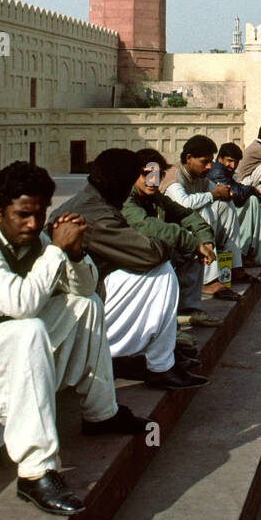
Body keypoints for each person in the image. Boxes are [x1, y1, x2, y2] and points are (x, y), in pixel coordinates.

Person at [0, 161, 146, 517]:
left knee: (85, 305)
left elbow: (85, 291)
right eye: (23, 215)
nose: (33, 224)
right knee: (29, 328)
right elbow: (21, 305)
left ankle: (101, 414)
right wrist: (54, 250)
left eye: (40, 215)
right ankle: (35, 471)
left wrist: (74, 252)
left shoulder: (35, 238)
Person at [50, 149, 207, 391]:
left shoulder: (95, 201)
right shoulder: (97, 214)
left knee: (153, 269)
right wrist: (178, 243)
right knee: (161, 271)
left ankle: (148, 356)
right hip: (73, 312)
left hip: (82, 293)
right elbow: (149, 253)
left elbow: (176, 218)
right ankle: (161, 366)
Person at [123, 148, 216, 351]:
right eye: (147, 174)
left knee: (188, 250)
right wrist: (194, 243)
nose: (152, 180)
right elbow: (148, 226)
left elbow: (186, 214)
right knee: (168, 253)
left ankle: (185, 310)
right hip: (125, 269)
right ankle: (161, 327)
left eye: (158, 175)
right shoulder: (127, 199)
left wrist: (205, 240)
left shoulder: (156, 198)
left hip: (149, 259)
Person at [159, 135, 253, 300]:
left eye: (211, 161)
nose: (209, 167)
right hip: (174, 237)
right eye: (204, 162)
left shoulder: (199, 176)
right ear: (189, 158)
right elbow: (184, 204)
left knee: (226, 206)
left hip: (197, 234)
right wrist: (213, 195)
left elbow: (218, 191)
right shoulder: (175, 178)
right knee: (201, 209)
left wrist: (224, 193)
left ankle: (234, 266)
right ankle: (208, 280)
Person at [207, 143, 261, 266]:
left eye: (235, 162)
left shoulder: (222, 169)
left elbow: (236, 187)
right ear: (220, 159)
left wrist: (250, 189)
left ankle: (251, 252)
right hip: (215, 219)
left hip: (222, 214)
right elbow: (236, 195)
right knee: (250, 200)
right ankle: (252, 253)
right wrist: (251, 189)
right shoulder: (217, 171)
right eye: (229, 161)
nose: (233, 166)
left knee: (252, 201)